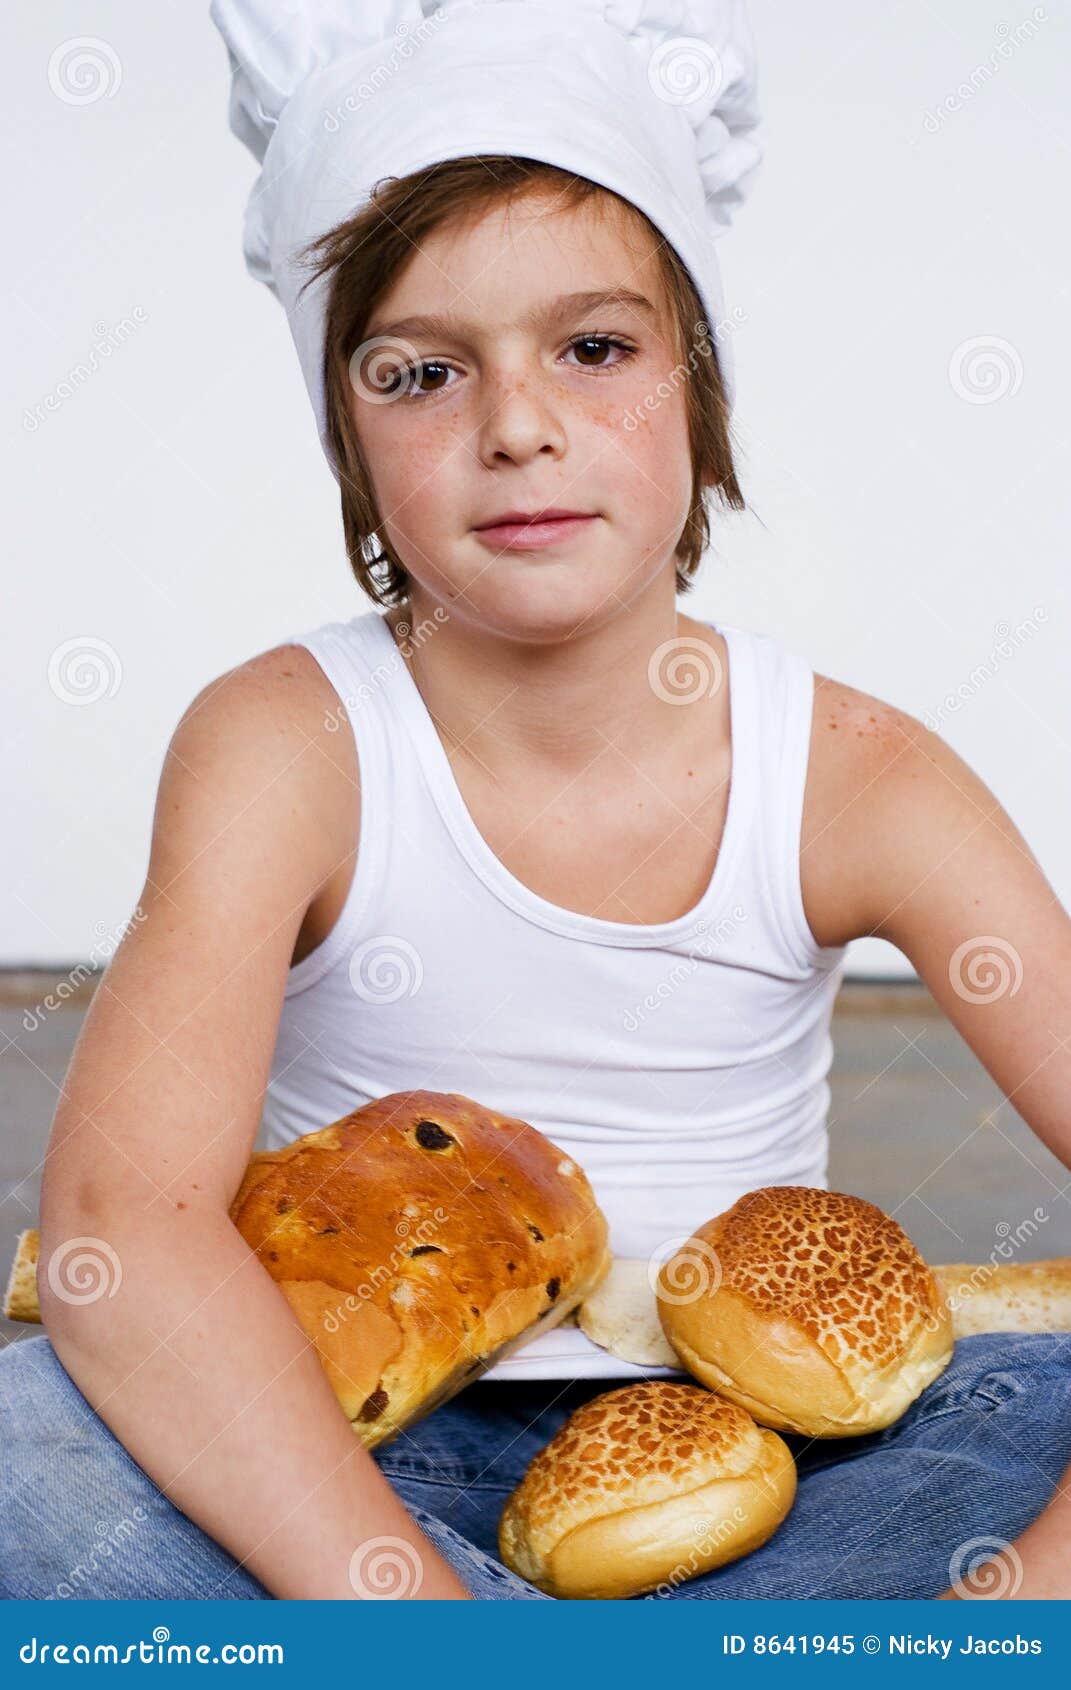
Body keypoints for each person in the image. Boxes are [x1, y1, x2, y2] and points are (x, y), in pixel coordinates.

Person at [3, 0, 1070, 1602]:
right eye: (422, 371)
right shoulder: (284, 742)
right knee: (34, 1443)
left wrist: (1020, 1605)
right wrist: (397, 1605)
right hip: (325, 1453)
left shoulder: (852, 775)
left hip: (770, 1472)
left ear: (695, 383)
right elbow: (123, 1223)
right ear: (349, 438)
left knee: (1021, 1401)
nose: (518, 426)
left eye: (594, 346)